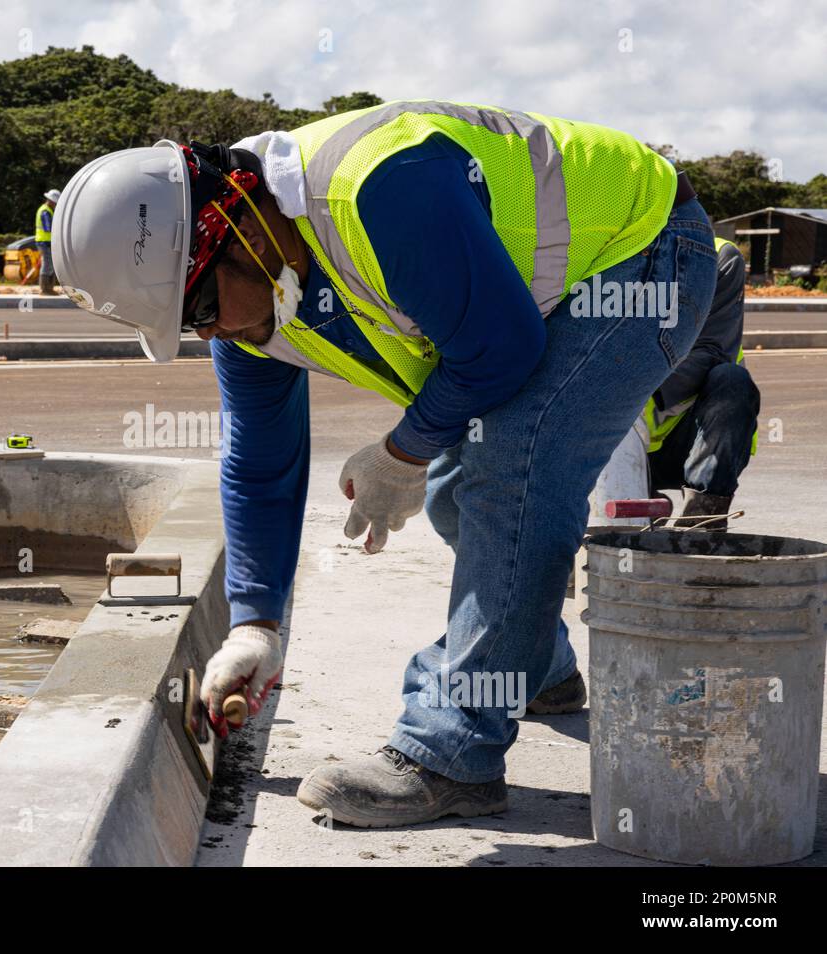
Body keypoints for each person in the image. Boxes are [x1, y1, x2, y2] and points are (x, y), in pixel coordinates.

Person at [51, 101, 719, 827]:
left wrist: (403, 451)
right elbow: (259, 463)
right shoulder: (247, 298)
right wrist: (256, 623)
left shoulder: (379, 189)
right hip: (536, 298)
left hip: (641, 253)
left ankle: (451, 753)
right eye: (187, 325)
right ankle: (539, 667)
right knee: (454, 495)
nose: (212, 330)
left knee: (510, 475)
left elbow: (500, 349)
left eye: (203, 304)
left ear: (240, 222)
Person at [643, 238, 759, 530]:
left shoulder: (718, 256)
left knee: (732, 381)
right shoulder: (607, 253)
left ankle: (701, 524)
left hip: (685, 442)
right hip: (603, 442)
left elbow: (712, 350)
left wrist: (630, 384)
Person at [35, 189, 60, 295]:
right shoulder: (45, 211)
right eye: (55, 203)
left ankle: (49, 288)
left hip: (46, 242)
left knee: (50, 264)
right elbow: (48, 228)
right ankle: (45, 289)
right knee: (47, 264)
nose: (55, 205)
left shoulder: (47, 210)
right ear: (50, 201)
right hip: (44, 242)